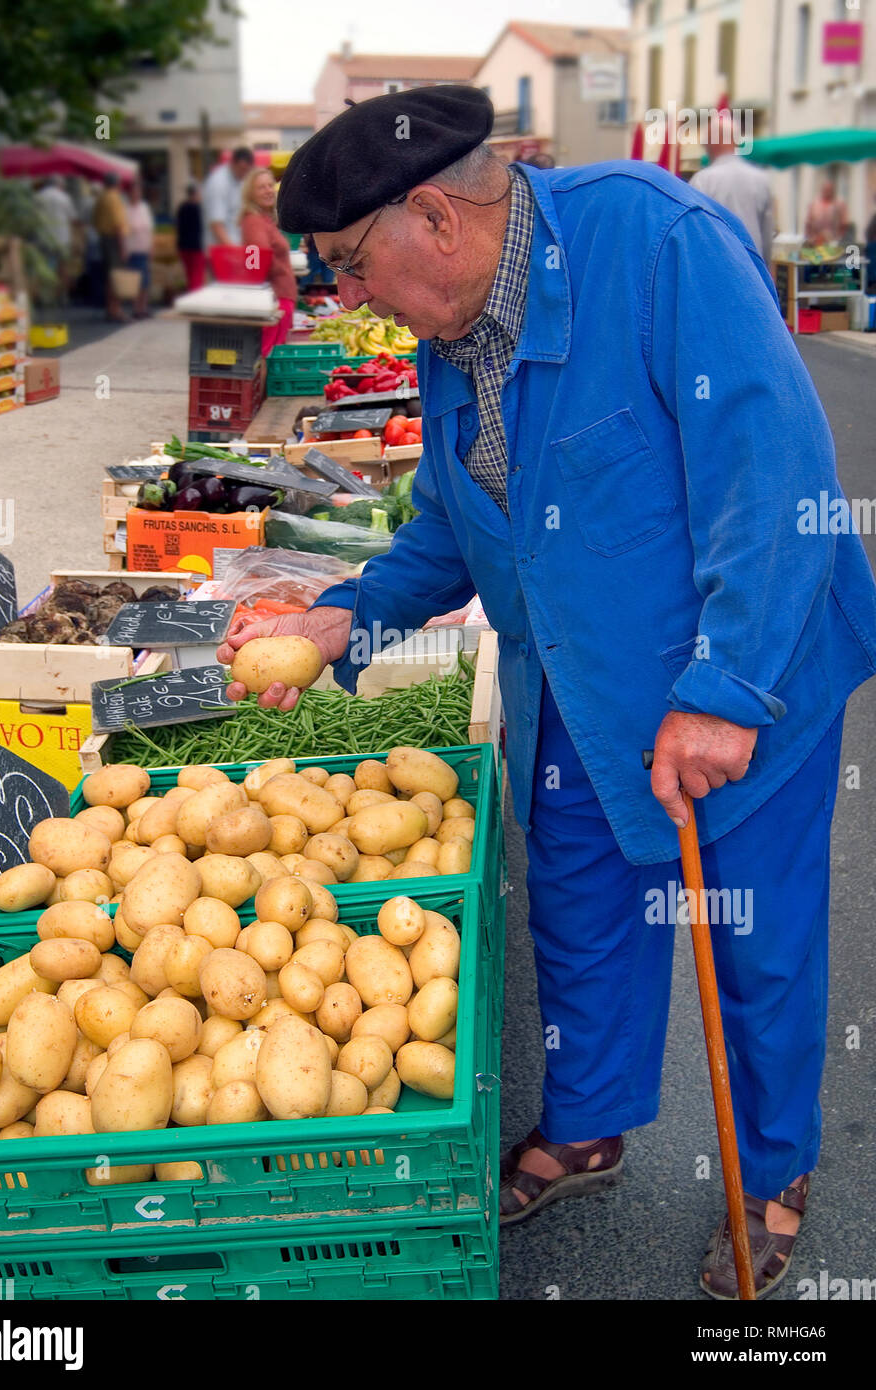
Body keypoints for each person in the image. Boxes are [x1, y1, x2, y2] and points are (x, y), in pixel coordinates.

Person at [216, 85, 876, 1299]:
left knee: (755, 943)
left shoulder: (652, 240)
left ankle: (771, 1170)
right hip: (572, 673)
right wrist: (342, 618)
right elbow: (454, 528)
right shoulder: (448, 334)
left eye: (351, 266)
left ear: (433, 217)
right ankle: (585, 1124)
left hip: (738, 669)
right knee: (576, 907)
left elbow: (773, 474)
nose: (345, 297)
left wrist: (723, 690)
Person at [690, 110, 774, 267]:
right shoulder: (760, 179)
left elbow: (695, 235)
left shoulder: (702, 181)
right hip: (754, 270)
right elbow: (767, 238)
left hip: (719, 270)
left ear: (713, 142)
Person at [240, 166, 298, 355]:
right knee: (267, 356)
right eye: (261, 187)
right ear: (250, 194)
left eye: (269, 185)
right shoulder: (254, 221)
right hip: (274, 300)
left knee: (270, 354)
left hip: (279, 298)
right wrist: (275, 274)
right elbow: (256, 259)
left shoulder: (265, 220)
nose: (268, 191)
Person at [92, 171, 129, 321]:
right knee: (116, 275)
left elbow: (94, 220)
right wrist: (123, 247)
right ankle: (116, 309)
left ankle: (110, 308)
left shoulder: (101, 198)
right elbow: (118, 224)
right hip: (114, 239)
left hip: (103, 238)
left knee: (109, 275)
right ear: (117, 184)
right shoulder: (114, 198)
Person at [202, 146, 254, 249]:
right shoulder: (219, 183)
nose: (244, 173)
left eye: (247, 170)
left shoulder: (240, 180)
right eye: (242, 169)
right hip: (221, 249)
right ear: (233, 164)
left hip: (235, 246)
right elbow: (216, 224)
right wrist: (234, 251)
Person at [35, 174, 77, 299]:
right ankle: (62, 295)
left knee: (46, 267)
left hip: (44, 237)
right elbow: (73, 218)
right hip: (62, 238)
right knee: (63, 267)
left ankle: (47, 295)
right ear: (59, 185)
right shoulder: (64, 197)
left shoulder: (38, 197)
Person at [124, 181, 155, 319]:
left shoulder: (144, 207)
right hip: (132, 249)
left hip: (144, 247)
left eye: (138, 192)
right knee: (135, 281)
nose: (136, 194)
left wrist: (151, 247)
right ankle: (136, 308)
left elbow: (150, 229)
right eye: (134, 192)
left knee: (145, 280)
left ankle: (144, 307)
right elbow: (123, 231)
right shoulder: (126, 209)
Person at [176, 181, 205, 291]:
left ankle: (190, 294)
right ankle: (195, 297)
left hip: (184, 246)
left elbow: (179, 227)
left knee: (189, 274)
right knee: (197, 275)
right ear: (195, 194)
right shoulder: (198, 209)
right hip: (197, 246)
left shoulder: (181, 208)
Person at [804, 179, 849, 246]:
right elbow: (808, 223)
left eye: (829, 190)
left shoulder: (839, 204)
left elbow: (844, 223)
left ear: (833, 191)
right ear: (822, 190)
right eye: (825, 189)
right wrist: (809, 238)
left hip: (833, 241)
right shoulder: (814, 204)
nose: (827, 192)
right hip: (816, 241)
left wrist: (839, 238)